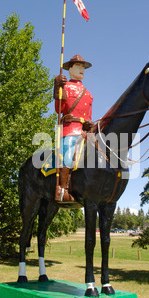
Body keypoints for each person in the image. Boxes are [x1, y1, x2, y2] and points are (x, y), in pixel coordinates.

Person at [54, 54, 93, 202]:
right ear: (69, 69)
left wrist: (90, 126)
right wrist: (57, 87)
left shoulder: (88, 94)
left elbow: (89, 116)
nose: (81, 69)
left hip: (83, 132)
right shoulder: (66, 87)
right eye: (78, 66)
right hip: (70, 129)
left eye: (83, 67)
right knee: (68, 157)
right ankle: (62, 190)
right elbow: (59, 109)